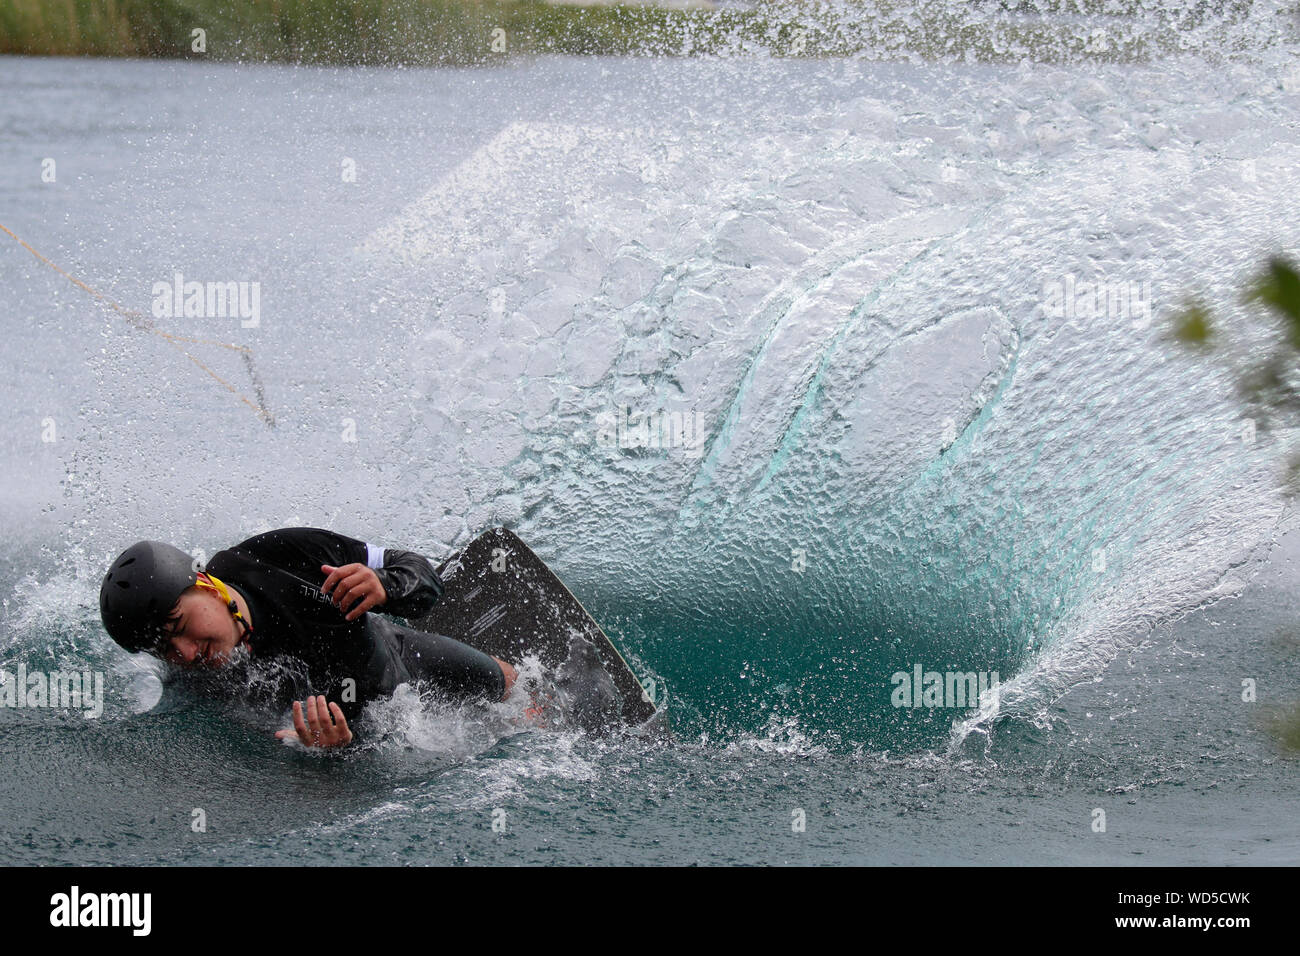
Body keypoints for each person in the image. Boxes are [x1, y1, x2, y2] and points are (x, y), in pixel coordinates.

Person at [99, 526, 520, 748]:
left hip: (395, 660)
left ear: (206, 584)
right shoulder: (194, 684)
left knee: (508, 685)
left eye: (179, 626)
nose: (186, 653)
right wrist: (329, 753)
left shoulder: (285, 556)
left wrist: (385, 584)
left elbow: (420, 573)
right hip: (364, 732)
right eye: (165, 649)